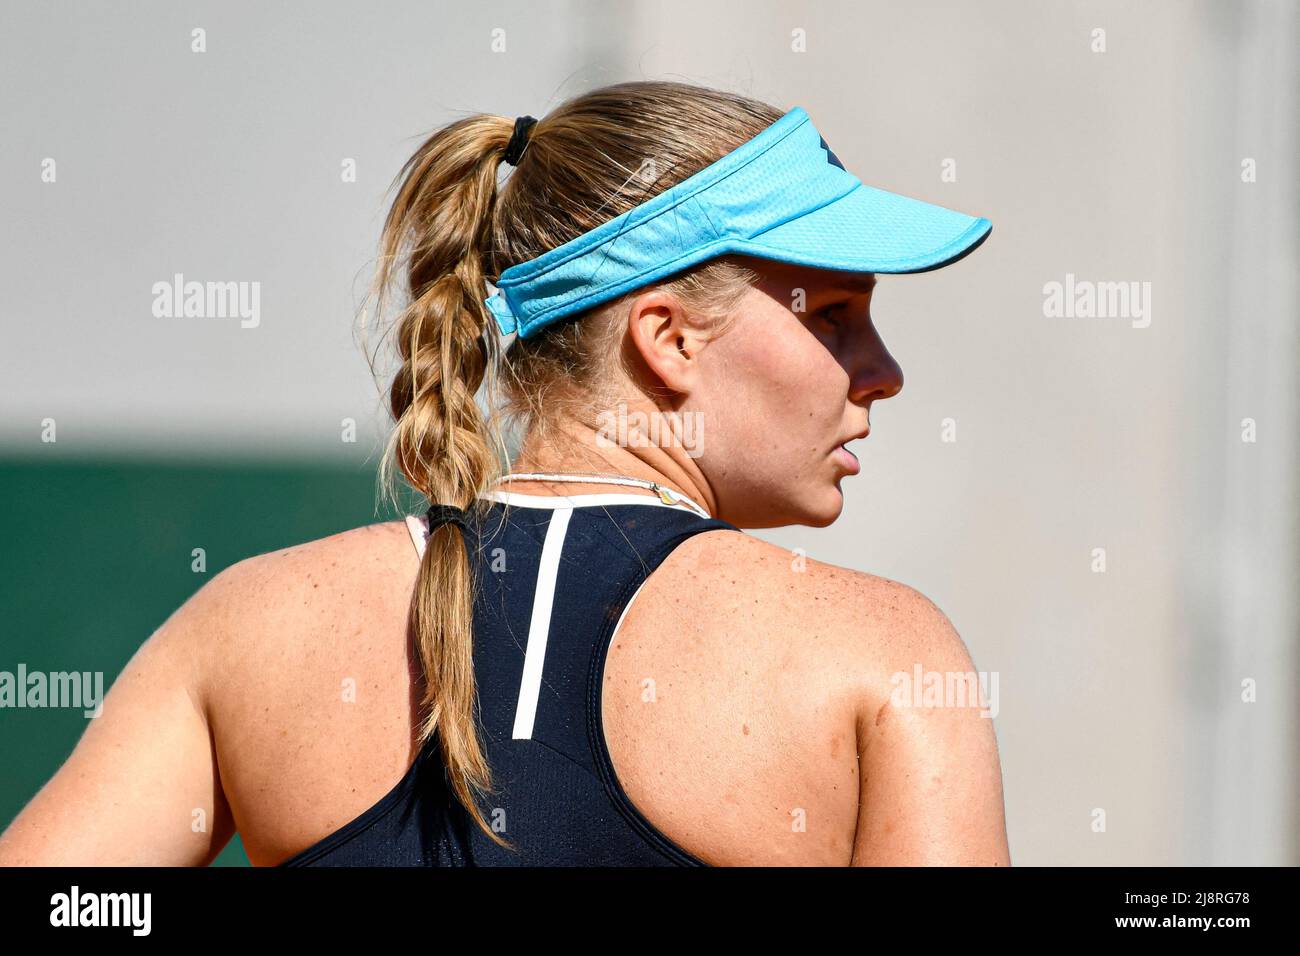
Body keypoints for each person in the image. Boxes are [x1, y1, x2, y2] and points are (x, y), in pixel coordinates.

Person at [0, 80, 1010, 866]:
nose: (883, 371)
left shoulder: (246, 624)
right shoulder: (880, 653)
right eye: (833, 315)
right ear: (667, 338)